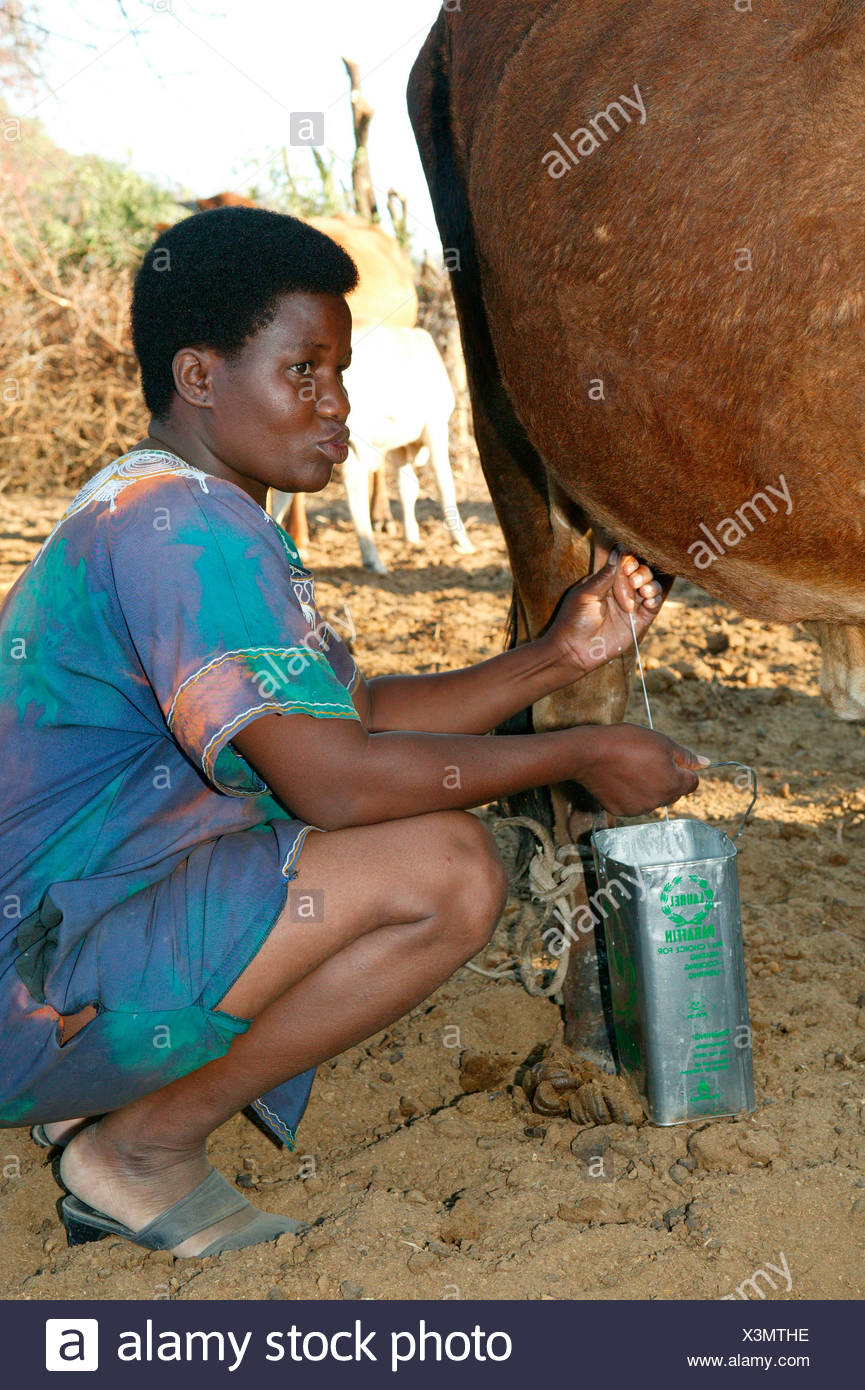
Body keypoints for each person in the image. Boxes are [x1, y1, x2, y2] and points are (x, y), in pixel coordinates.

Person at [0, 207, 708, 1258]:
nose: (338, 407)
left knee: (393, 838)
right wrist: (578, 753)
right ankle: (137, 1144)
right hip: (30, 983)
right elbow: (333, 781)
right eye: (305, 373)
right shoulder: (183, 530)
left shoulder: (176, 504)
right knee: (447, 871)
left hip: (68, 931)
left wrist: (562, 655)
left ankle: (102, 1083)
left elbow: (351, 718)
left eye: (342, 374)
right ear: (200, 377)